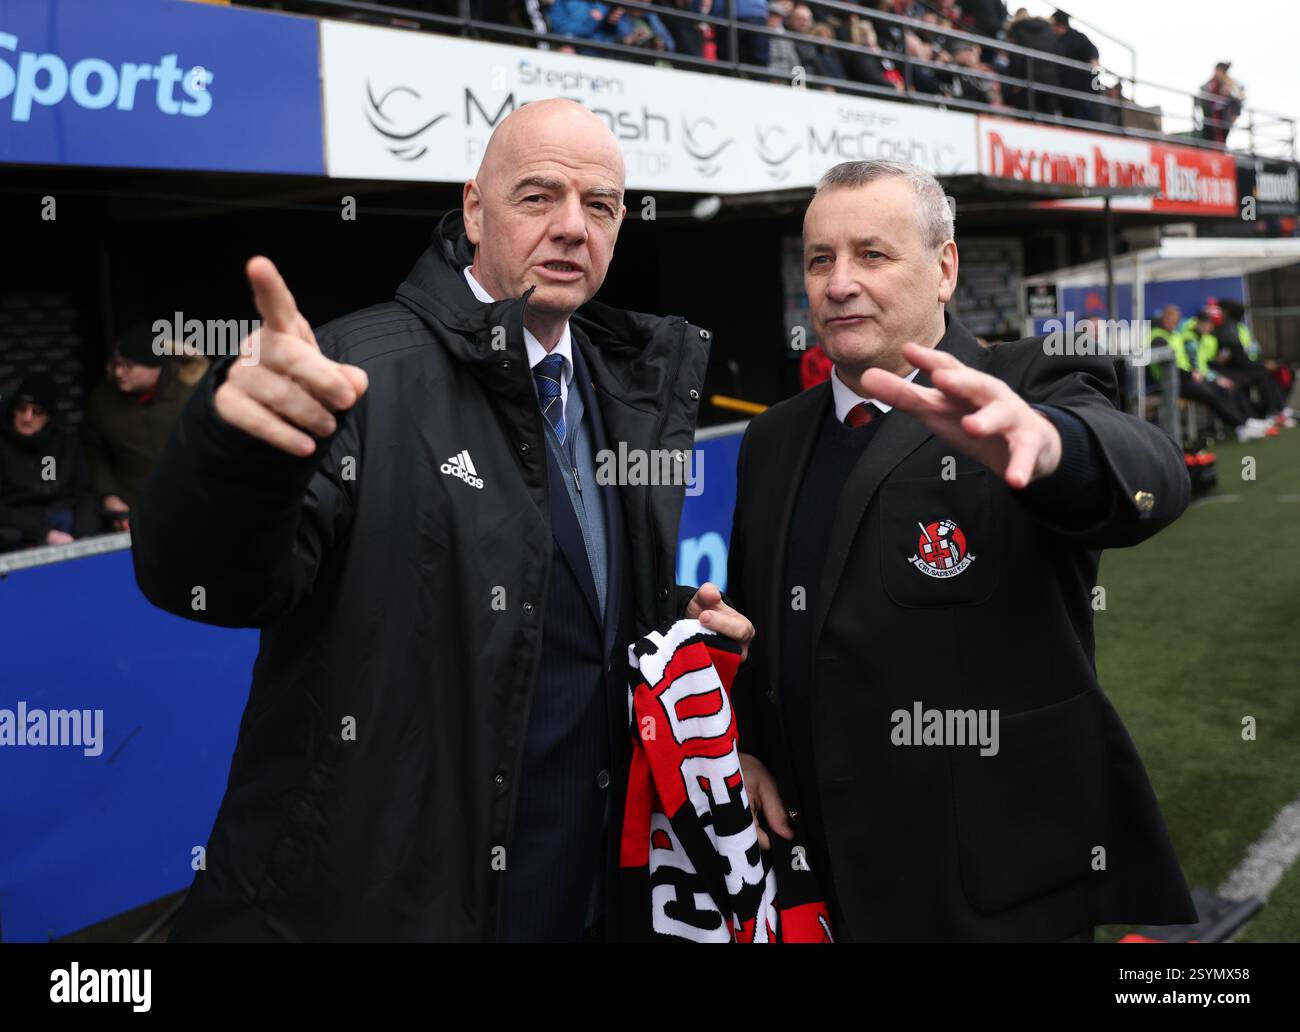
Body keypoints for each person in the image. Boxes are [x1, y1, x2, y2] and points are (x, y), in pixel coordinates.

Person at [131, 99, 753, 942]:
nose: (573, 226)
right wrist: (233, 448)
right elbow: (214, 581)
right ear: (472, 209)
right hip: (403, 904)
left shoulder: (622, 384)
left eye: (600, 205)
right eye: (538, 196)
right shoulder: (356, 372)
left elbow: (534, 583)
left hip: (592, 895)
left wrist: (665, 624)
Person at [727, 159, 1197, 942]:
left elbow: (1150, 475)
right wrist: (745, 748)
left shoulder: (1025, 384)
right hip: (813, 882)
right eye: (820, 259)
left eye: (872, 255)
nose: (839, 282)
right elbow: (765, 633)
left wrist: (1050, 447)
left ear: (944, 268)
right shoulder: (772, 437)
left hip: (994, 888)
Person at [80, 322, 205, 529]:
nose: (119, 372)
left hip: (195, 505)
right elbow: (93, 451)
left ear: (154, 367)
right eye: (116, 364)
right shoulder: (103, 400)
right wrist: (109, 495)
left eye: (128, 365)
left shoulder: (191, 394)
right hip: (136, 511)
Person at [0, 374, 99, 551]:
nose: (27, 417)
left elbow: (85, 493)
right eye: (22, 409)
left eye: (36, 411)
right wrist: (45, 533)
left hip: (67, 526)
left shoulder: (66, 443)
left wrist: (83, 537)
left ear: (48, 416)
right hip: (18, 533)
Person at [1146, 305, 1264, 443]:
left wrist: (1196, 373)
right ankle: (1241, 426)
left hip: (1185, 378)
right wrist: (1192, 374)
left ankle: (1244, 423)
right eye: (1170, 319)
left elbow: (1186, 361)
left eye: (1175, 319)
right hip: (1169, 383)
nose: (1173, 322)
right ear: (1163, 318)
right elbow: (1166, 366)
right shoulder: (1157, 336)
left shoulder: (1176, 335)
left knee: (1220, 389)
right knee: (1211, 394)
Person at [1049, 10, 1099, 122]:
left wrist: (1094, 60)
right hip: (1065, 91)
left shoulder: (1077, 37)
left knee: (1083, 121)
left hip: (1081, 90)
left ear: (1061, 25)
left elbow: (1092, 50)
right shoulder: (1055, 39)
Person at [1197, 62, 1244, 146]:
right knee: (1209, 137)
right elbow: (1202, 95)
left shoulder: (1231, 84)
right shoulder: (1210, 83)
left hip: (1223, 118)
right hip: (1211, 117)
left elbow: (1238, 101)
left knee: (1220, 139)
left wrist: (1234, 117)